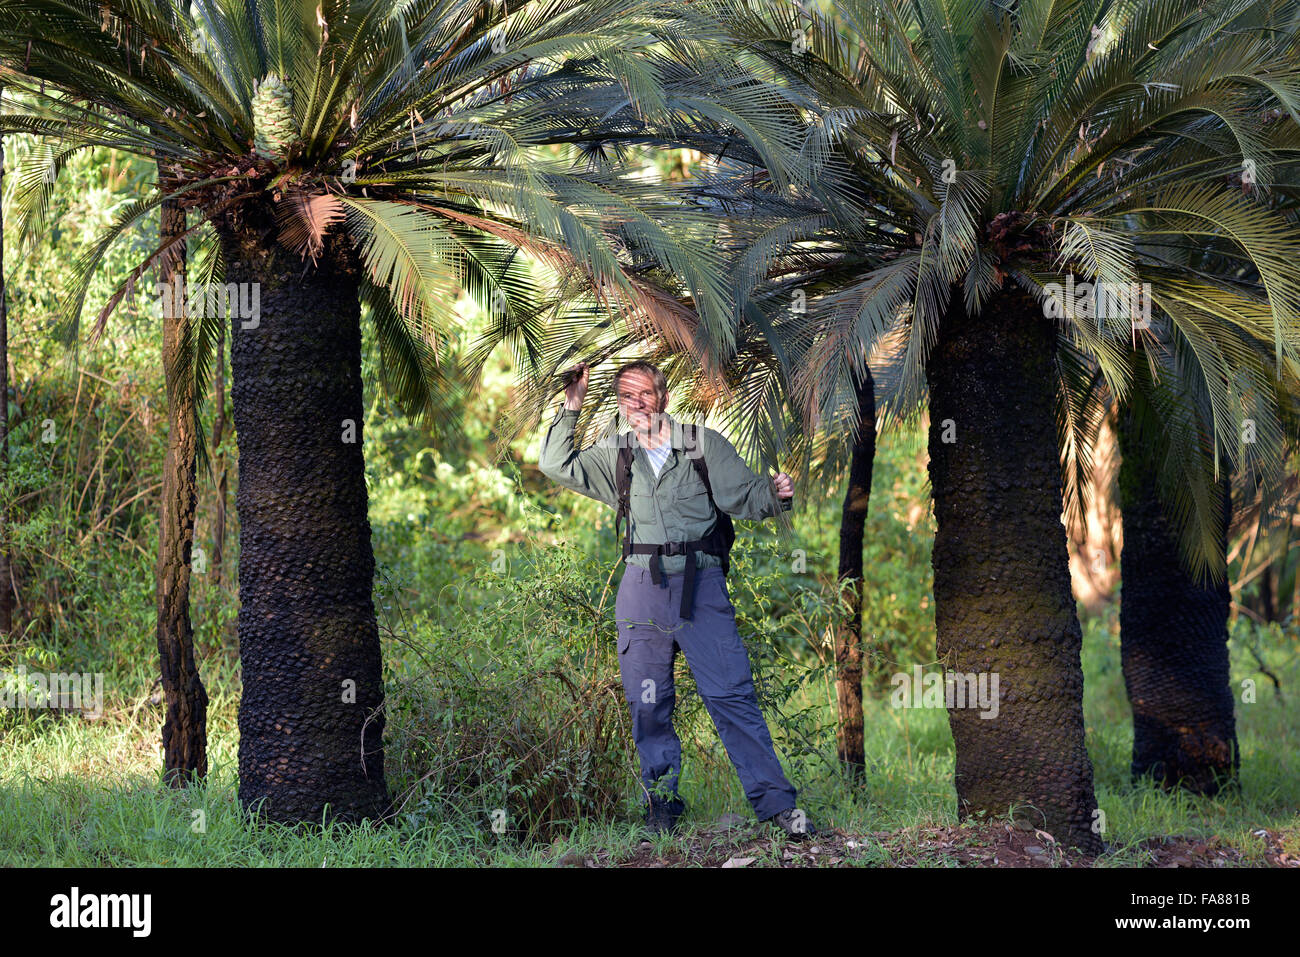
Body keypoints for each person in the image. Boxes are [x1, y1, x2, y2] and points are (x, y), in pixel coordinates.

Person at [538, 359, 816, 841]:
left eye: (644, 394)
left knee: (731, 694)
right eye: (627, 397)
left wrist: (778, 493)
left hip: (700, 584)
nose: (636, 404)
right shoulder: (616, 454)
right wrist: (573, 405)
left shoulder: (701, 444)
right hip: (641, 586)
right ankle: (661, 804)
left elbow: (746, 495)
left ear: (663, 396)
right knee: (648, 701)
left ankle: (777, 806)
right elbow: (555, 465)